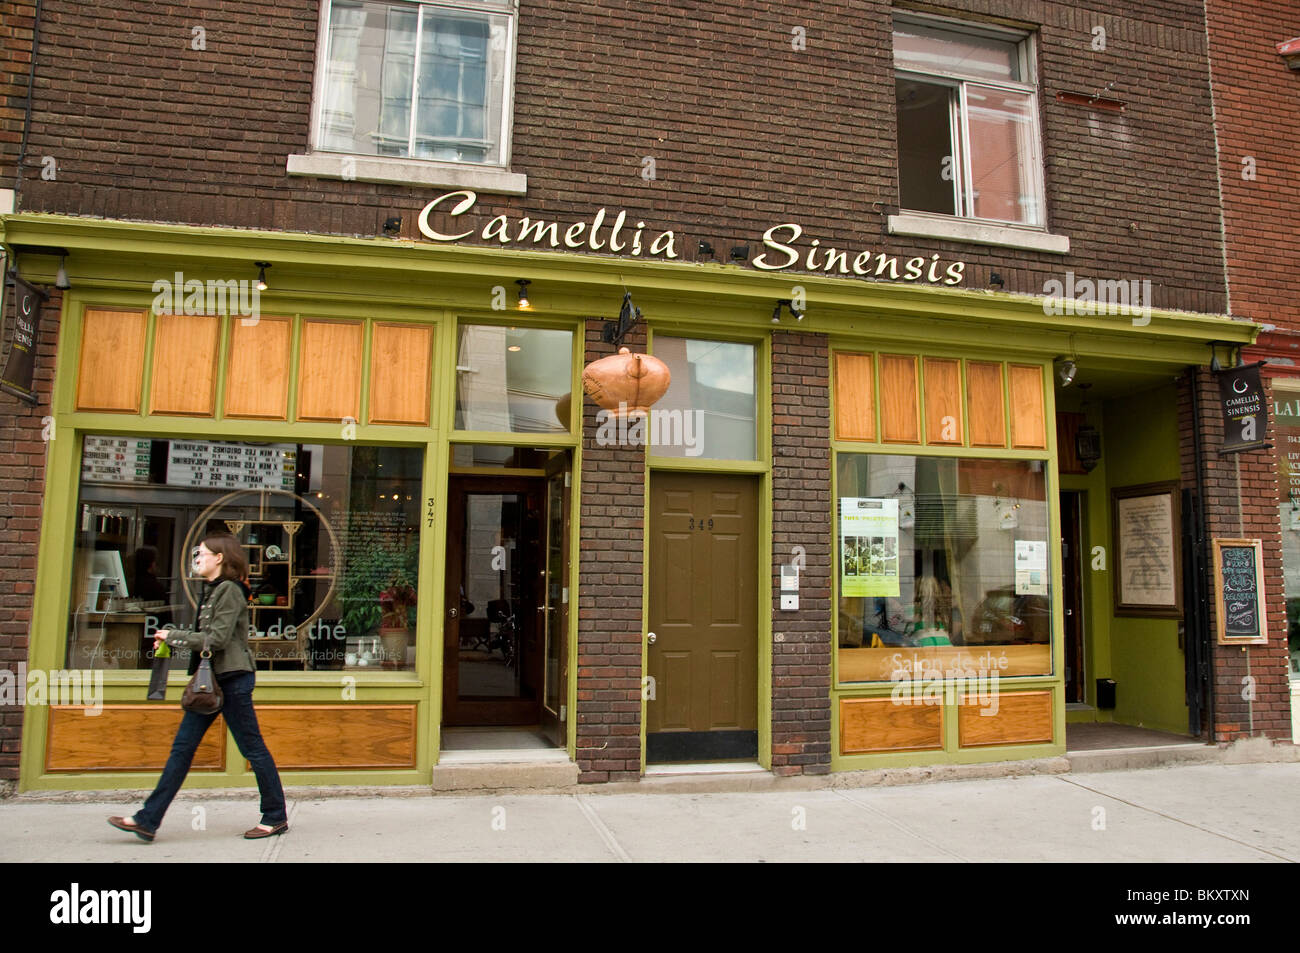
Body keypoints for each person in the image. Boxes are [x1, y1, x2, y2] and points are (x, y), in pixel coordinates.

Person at [108, 531, 288, 842]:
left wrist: (172, 636)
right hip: (212, 682)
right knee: (182, 749)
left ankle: (275, 816)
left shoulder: (230, 590)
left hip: (232, 679)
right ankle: (147, 820)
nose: (198, 559)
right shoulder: (213, 590)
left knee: (252, 748)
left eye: (202, 554)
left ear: (220, 558)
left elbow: (216, 640)